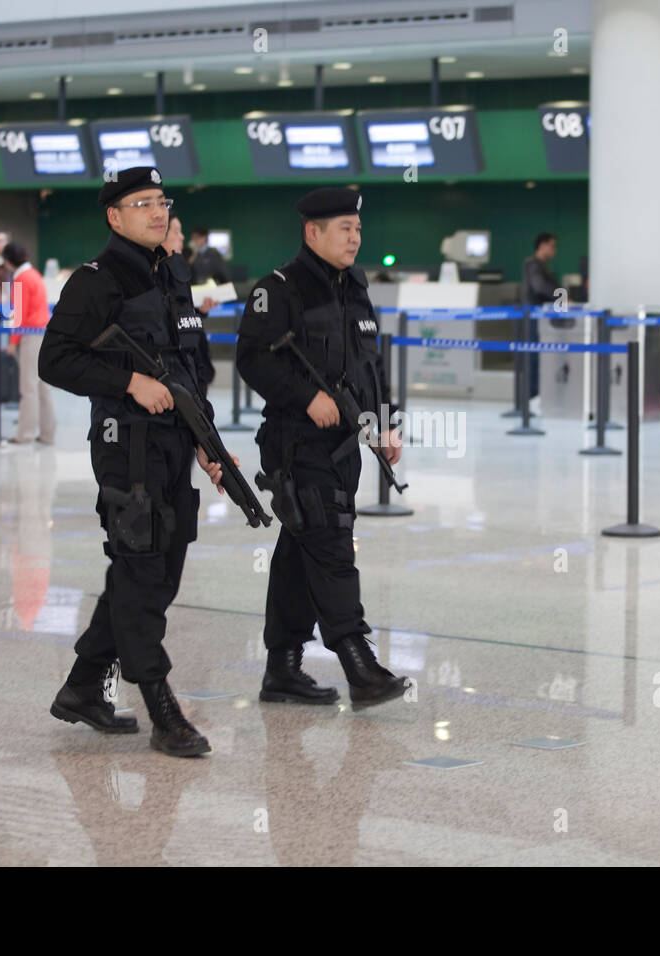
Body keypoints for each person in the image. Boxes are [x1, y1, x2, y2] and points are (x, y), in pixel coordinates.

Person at [39, 166, 231, 758]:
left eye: (161, 201)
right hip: (129, 450)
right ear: (114, 217)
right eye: (141, 203)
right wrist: (127, 382)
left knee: (152, 574)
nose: (156, 211)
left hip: (176, 444)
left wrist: (208, 439)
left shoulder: (173, 272)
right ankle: (161, 707)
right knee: (143, 572)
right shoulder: (95, 281)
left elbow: (192, 364)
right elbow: (56, 360)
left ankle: (81, 689)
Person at [235, 187, 409, 710]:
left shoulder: (354, 287)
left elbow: (370, 364)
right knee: (331, 543)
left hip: (344, 445)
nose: (355, 238)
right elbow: (252, 359)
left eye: (358, 229)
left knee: (301, 549)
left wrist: (384, 421)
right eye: (344, 229)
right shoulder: (279, 289)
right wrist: (306, 395)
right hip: (296, 443)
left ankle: (282, 668)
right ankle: (359, 664)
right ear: (313, 232)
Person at [2, 242, 56, 445]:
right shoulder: (33, 274)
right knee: (43, 386)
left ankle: (24, 435)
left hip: (30, 335)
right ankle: (47, 433)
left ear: (8, 261)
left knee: (28, 388)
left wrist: (12, 342)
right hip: (43, 332)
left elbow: (20, 316)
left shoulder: (21, 279)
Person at [162, 215, 216, 397]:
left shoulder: (180, 270)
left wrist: (199, 311)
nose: (182, 237)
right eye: (176, 231)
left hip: (194, 369)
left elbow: (182, 316)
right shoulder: (151, 276)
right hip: (172, 378)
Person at [520, 233, 561, 403]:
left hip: (541, 317)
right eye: (552, 245)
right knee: (533, 358)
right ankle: (532, 397)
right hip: (533, 316)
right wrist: (562, 298)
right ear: (542, 245)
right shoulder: (533, 265)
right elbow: (540, 287)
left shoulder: (543, 266)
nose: (554, 250)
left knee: (539, 357)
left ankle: (537, 396)